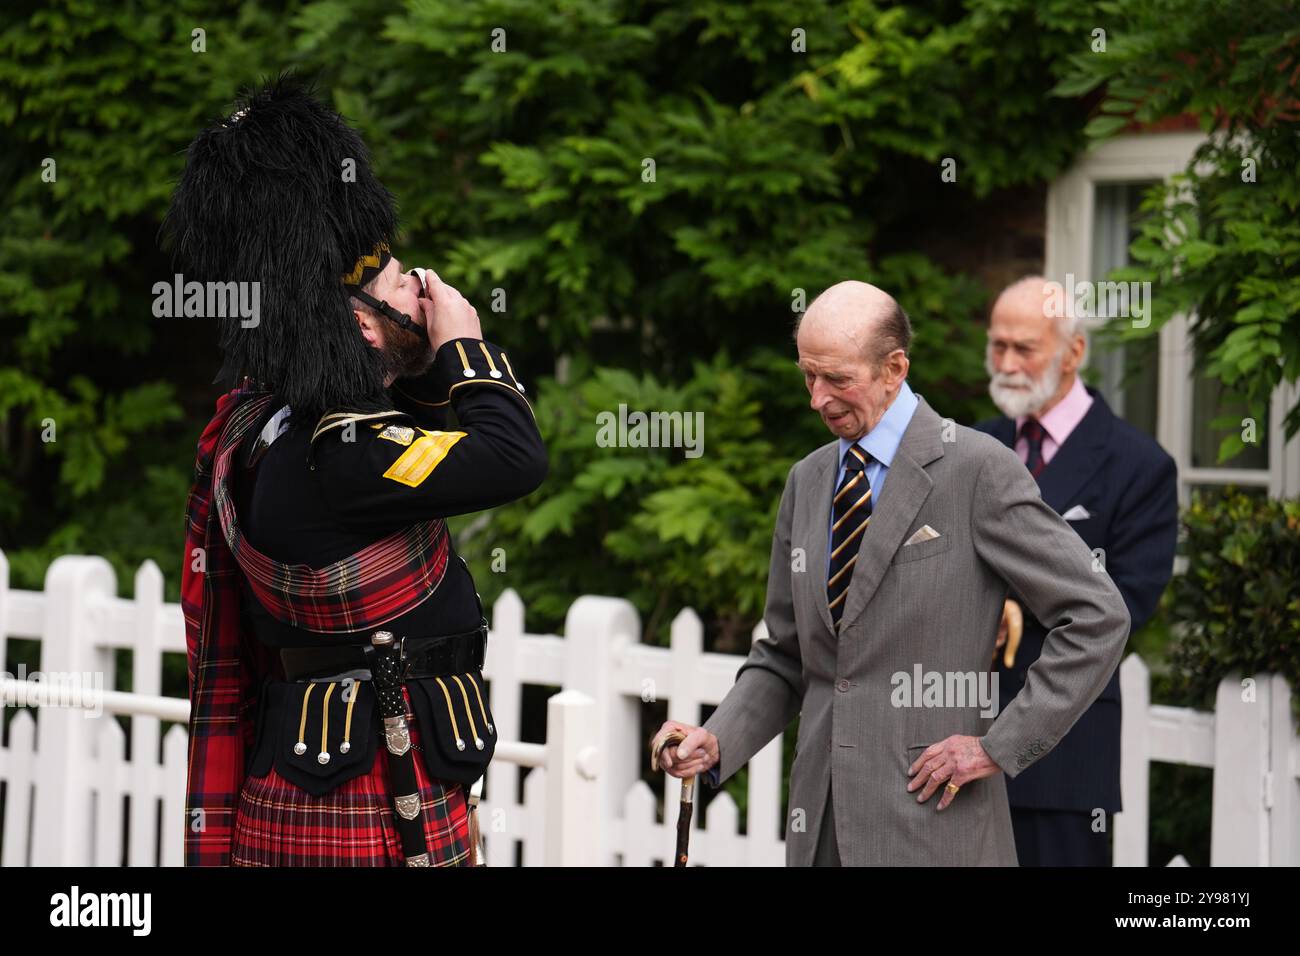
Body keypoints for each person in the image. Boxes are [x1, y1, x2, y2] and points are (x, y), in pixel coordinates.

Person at [168, 75, 547, 866]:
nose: (424, 284)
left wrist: (423, 353)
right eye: (397, 280)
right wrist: (467, 344)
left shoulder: (285, 427)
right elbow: (514, 455)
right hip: (361, 806)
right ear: (356, 323)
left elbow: (435, 424)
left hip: (363, 784)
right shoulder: (342, 455)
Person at [653, 281, 1129, 865]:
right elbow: (785, 654)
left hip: (935, 831)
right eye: (808, 376)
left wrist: (996, 747)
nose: (817, 399)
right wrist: (718, 738)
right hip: (820, 828)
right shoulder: (807, 481)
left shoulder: (978, 469)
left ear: (894, 369)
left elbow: (1097, 615)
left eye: (837, 379)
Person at [973, 276, 1177, 865]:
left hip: (1061, 756)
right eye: (997, 346)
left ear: (1075, 352)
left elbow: (1124, 607)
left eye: (1025, 348)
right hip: (953, 736)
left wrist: (1012, 609)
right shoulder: (974, 445)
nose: (1007, 363)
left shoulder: (1140, 465)